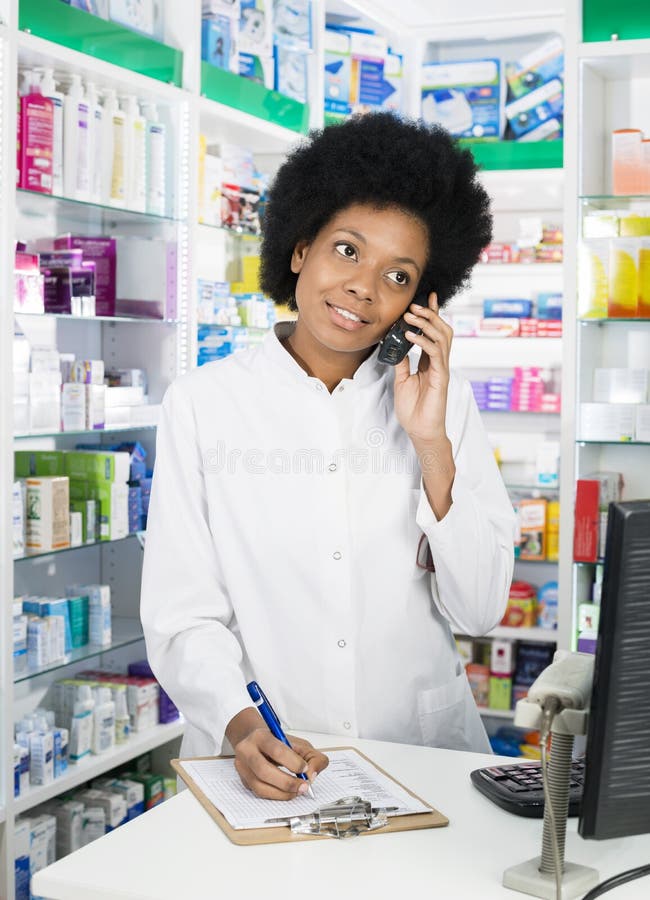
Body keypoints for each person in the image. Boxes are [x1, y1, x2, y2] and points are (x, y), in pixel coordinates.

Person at [141, 112, 516, 801]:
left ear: (420, 299)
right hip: (269, 770)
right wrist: (241, 726)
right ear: (299, 248)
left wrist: (430, 443)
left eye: (397, 275)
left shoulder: (440, 402)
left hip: (419, 758)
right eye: (347, 251)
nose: (364, 288)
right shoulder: (204, 403)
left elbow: (481, 610)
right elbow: (181, 613)